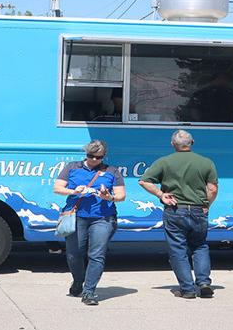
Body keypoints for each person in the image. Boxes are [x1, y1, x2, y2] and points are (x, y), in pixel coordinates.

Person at [139, 130, 219, 299]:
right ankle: (204, 283)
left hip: (175, 210)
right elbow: (212, 189)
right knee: (200, 246)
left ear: (172, 144)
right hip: (198, 210)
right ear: (192, 142)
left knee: (178, 249)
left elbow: (144, 181)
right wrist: (206, 205)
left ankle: (187, 289)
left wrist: (161, 195)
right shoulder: (206, 162)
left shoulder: (164, 162)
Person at [53, 140, 126, 306]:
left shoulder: (112, 171)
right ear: (86, 154)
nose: (93, 159)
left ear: (103, 156)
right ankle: (78, 281)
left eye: (97, 157)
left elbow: (121, 195)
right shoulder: (72, 167)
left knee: (97, 254)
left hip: (103, 217)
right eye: (90, 156)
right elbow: (57, 188)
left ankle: (89, 291)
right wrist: (74, 191)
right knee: (74, 253)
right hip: (76, 216)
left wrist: (109, 197)